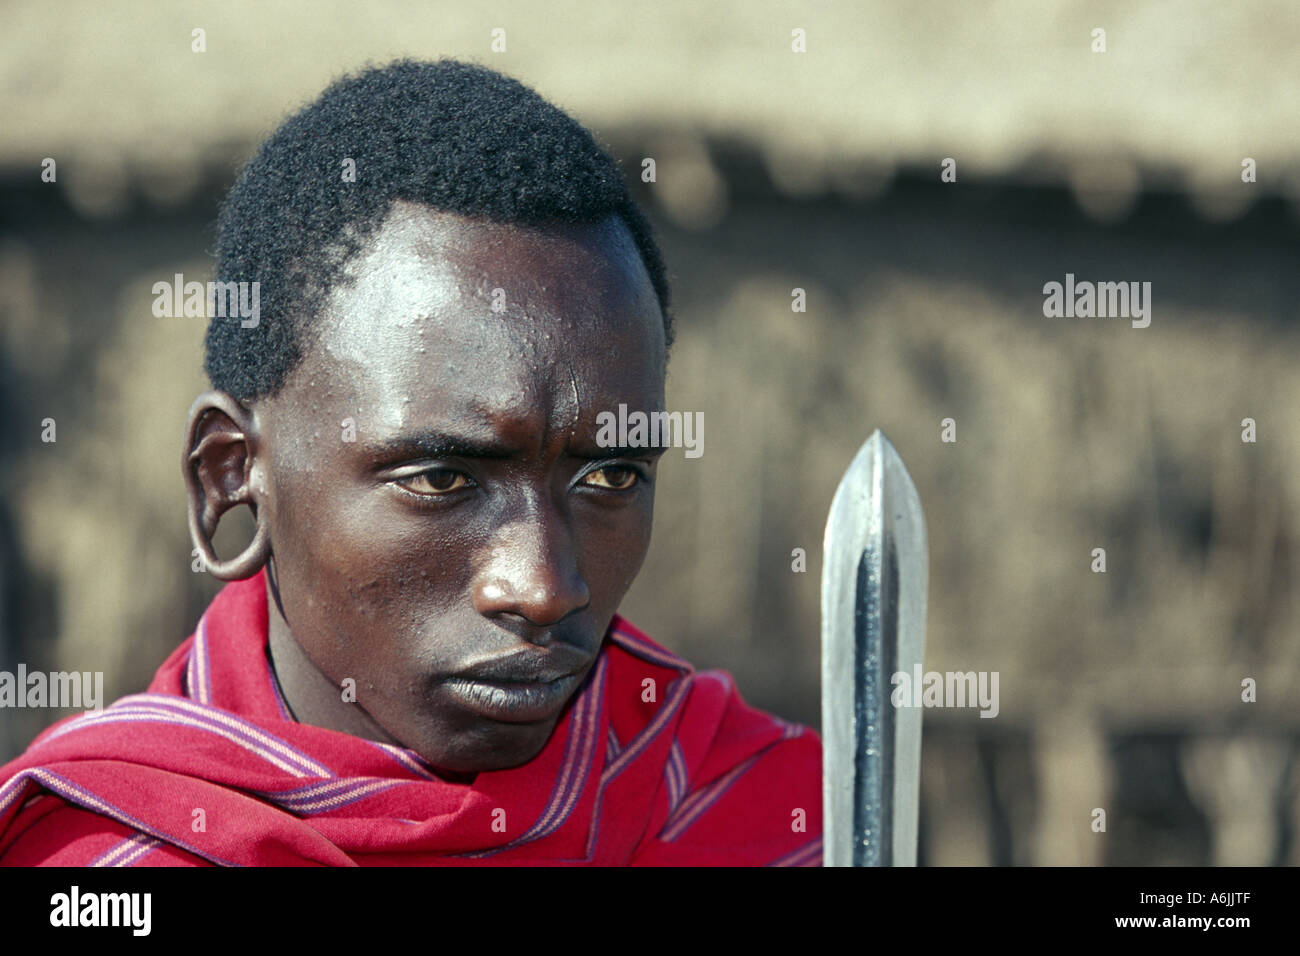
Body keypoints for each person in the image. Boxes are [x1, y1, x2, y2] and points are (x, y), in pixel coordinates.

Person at [0, 58, 822, 865]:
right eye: (441, 479)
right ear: (230, 476)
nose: (544, 588)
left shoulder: (768, 811)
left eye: (608, 475)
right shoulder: (101, 861)